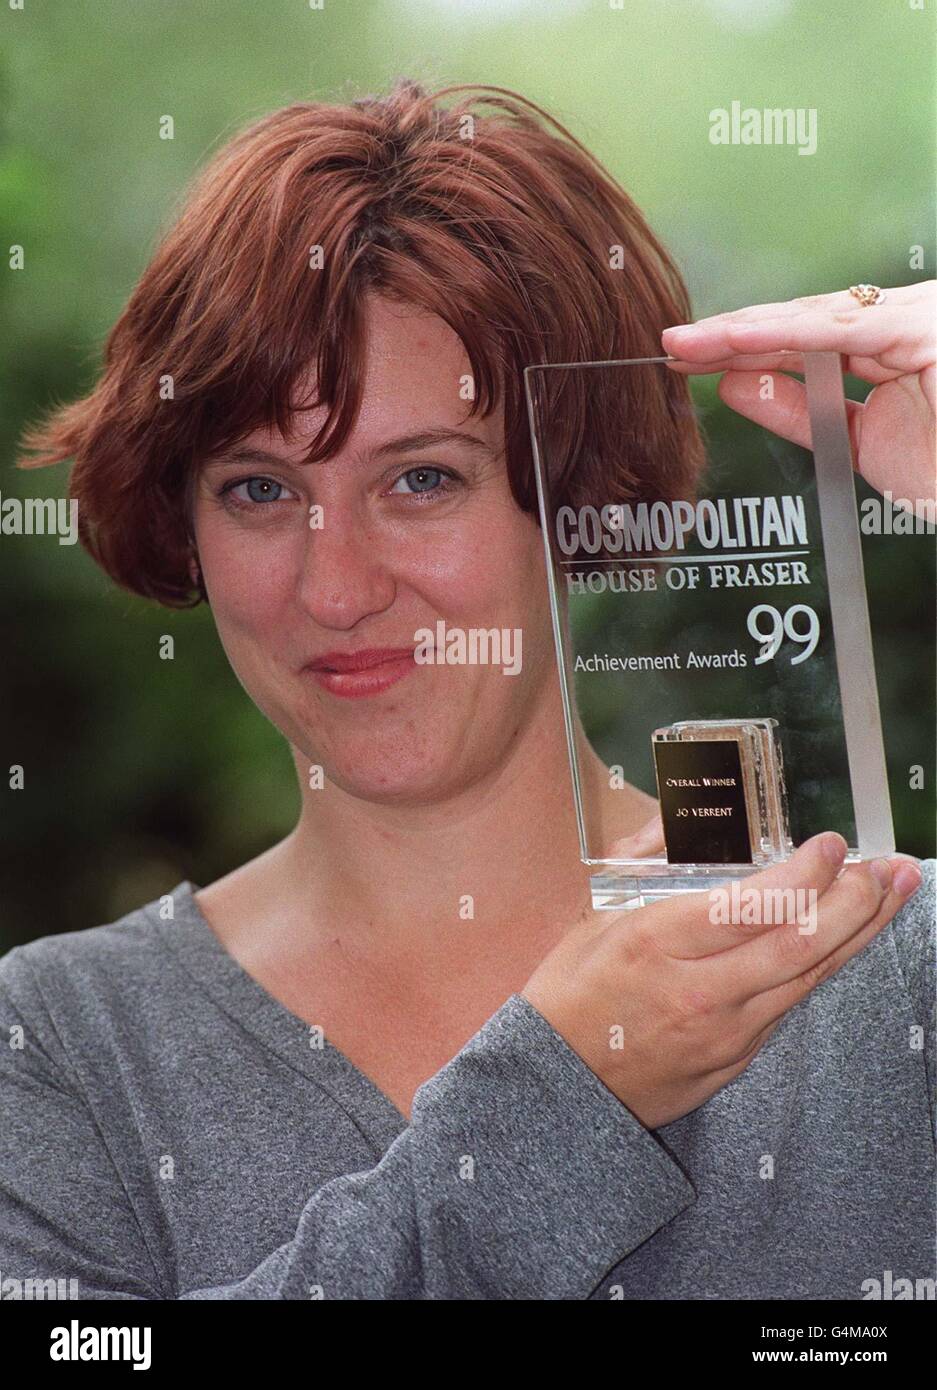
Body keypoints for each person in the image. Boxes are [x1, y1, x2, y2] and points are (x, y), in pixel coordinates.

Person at [2, 79, 934, 1301]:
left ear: (585, 496)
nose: (336, 588)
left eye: (422, 479)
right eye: (260, 490)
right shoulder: (58, 1046)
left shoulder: (896, 970)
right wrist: (559, 1100)